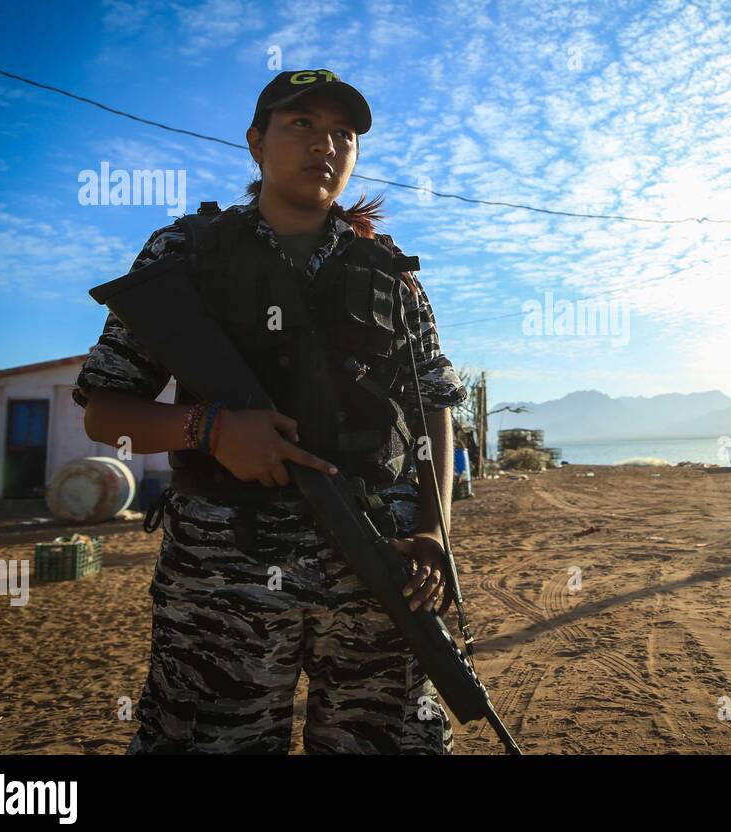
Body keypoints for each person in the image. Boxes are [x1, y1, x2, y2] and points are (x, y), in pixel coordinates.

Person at [76, 69, 467, 754]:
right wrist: (210, 429)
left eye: (344, 134)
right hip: (223, 584)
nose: (326, 145)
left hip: (378, 568)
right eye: (302, 125)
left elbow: (434, 404)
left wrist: (434, 531)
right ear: (256, 142)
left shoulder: (393, 273)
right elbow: (105, 413)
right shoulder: (185, 256)